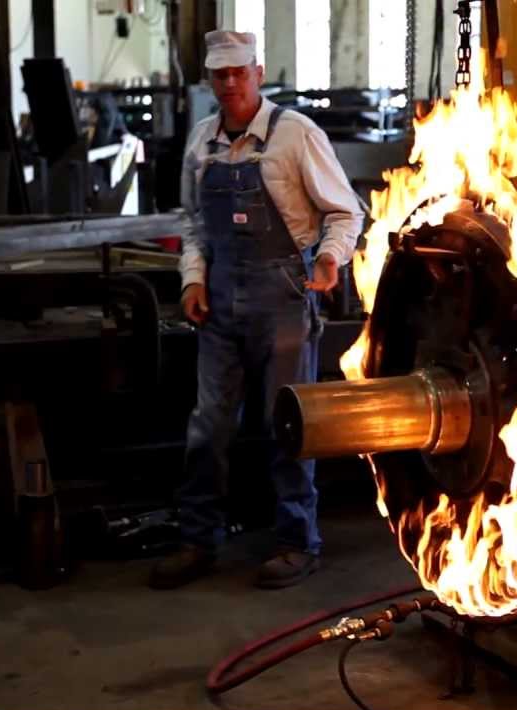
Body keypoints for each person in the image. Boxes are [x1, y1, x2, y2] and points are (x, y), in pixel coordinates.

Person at [150, 30, 365, 590]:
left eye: (239, 73)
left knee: (288, 422)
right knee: (208, 426)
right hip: (219, 304)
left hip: (283, 300)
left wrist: (330, 259)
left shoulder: (296, 134)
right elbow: (194, 224)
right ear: (210, 79)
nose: (230, 83)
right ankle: (199, 540)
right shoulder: (201, 142)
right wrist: (193, 280)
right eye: (220, 75)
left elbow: (346, 212)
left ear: (258, 73)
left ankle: (297, 542)